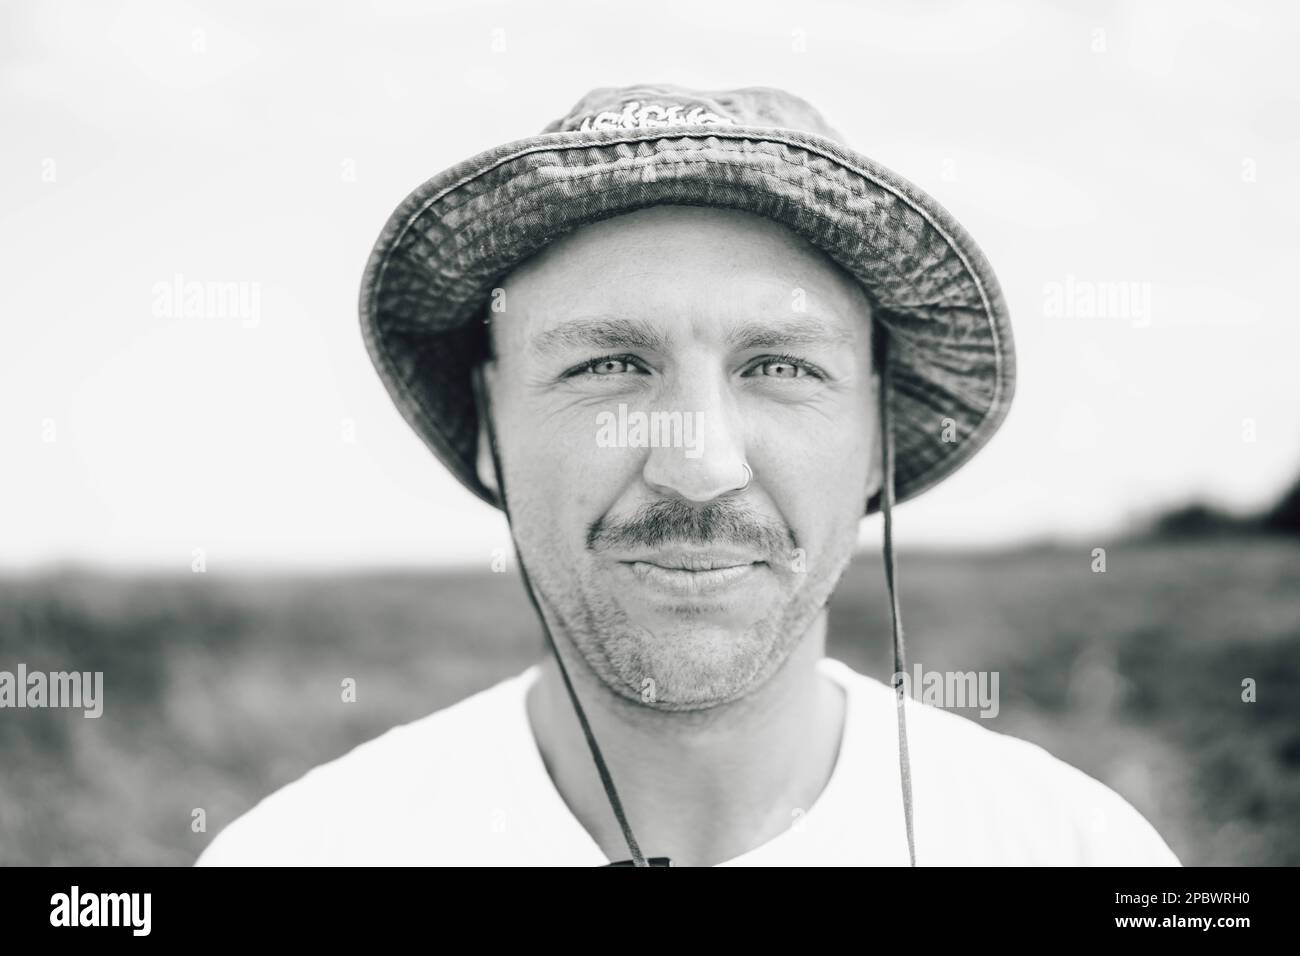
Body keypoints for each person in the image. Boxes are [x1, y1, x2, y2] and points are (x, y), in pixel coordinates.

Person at [196, 84, 1180, 866]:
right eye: (606, 366)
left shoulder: (1073, 851)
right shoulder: (298, 853)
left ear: (875, 435)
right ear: (491, 425)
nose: (699, 467)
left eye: (781, 367)